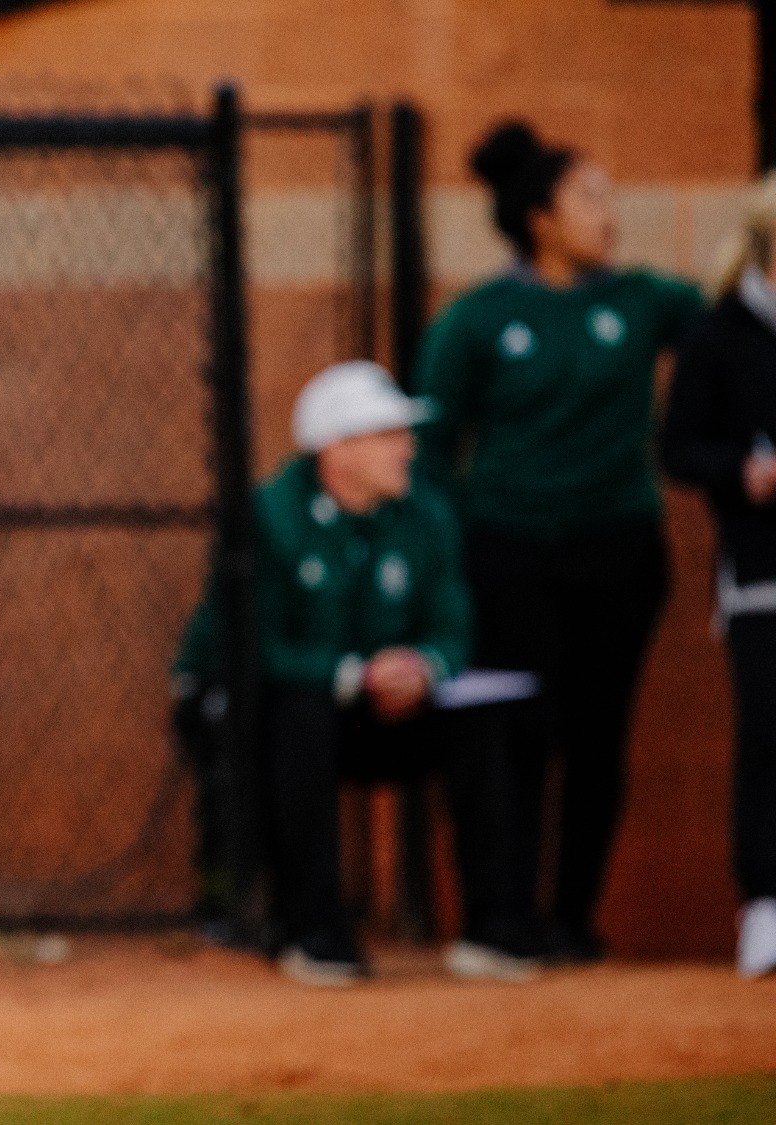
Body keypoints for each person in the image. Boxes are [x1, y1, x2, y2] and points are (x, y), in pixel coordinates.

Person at [412, 121, 705, 963]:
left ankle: (574, 917)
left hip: (618, 549)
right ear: (541, 218)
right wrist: (452, 544)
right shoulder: (477, 319)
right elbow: (433, 444)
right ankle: (508, 914)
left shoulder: (645, 300)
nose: (608, 215)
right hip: (511, 553)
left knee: (599, 735)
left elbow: (732, 336)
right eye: (591, 198)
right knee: (522, 732)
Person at [177, 360, 536, 986]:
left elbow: (453, 628)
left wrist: (423, 667)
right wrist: (355, 674)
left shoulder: (426, 516)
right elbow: (251, 651)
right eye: (389, 434)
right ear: (337, 449)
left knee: (482, 716)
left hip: (381, 710)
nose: (408, 446)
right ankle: (312, 931)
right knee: (300, 710)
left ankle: (496, 929)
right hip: (264, 717)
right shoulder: (268, 516)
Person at [660, 172, 776, 978]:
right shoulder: (720, 334)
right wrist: (745, 472)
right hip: (763, 572)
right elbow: (678, 449)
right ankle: (765, 907)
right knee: (768, 736)